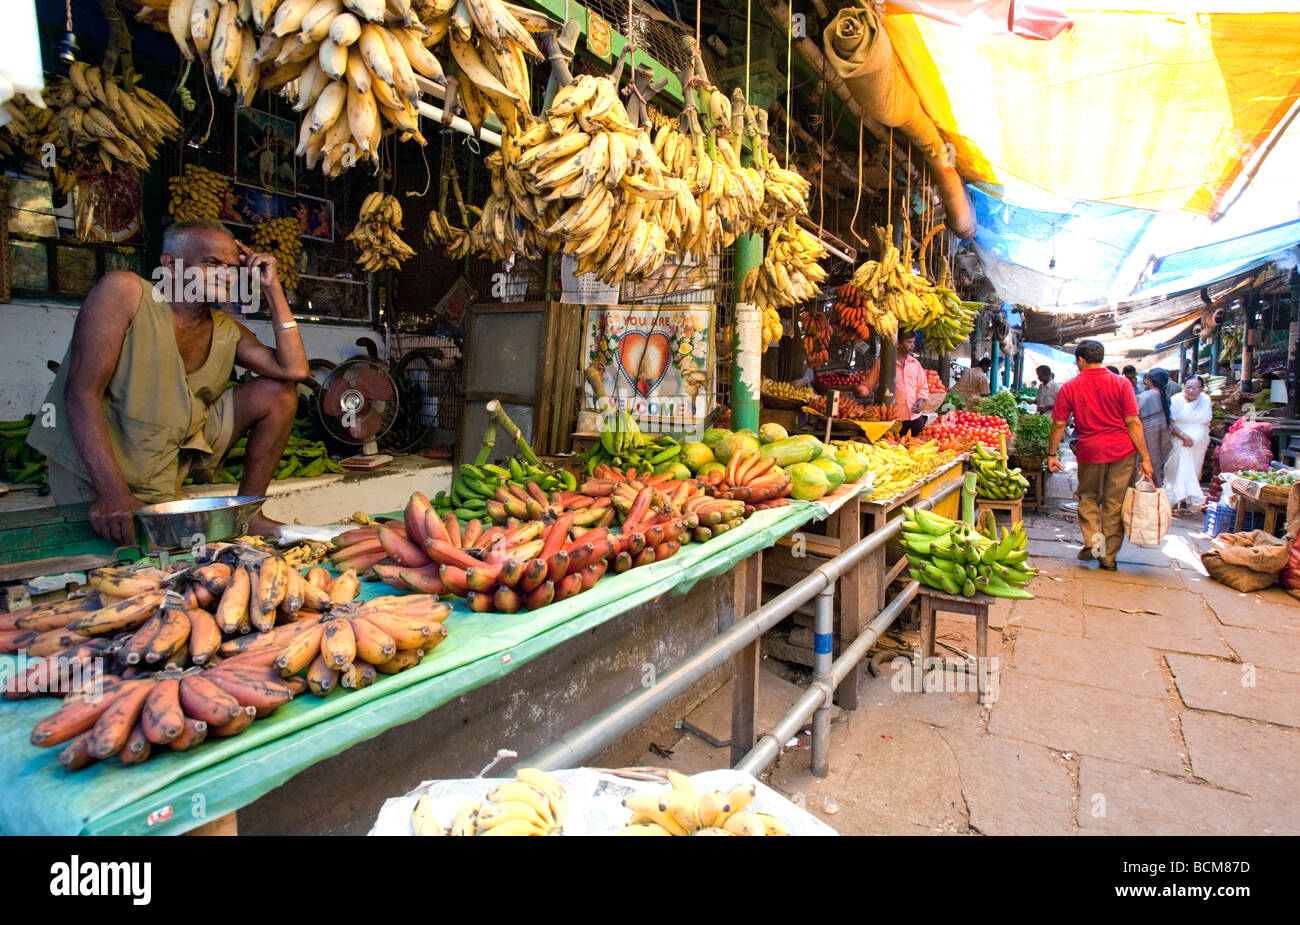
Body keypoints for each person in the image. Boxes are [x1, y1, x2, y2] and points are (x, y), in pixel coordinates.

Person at [27, 219, 308, 544]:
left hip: (165, 458)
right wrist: (113, 494)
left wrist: (272, 289)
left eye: (232, 267)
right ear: (171, 265)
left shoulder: (226, 330)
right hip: (96, 471)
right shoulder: (125, 292)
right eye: (211, 263)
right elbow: (80, 394)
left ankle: (250, 515)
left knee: (280, 393)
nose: (225, 275)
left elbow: (295, 370)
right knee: (122, 557)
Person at [1048, 340, 1154, 571]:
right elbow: (1133, 422)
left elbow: (1058, 424)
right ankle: (1109, 558)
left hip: (1091, 451)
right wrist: (1145, 457)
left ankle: (1094, 543)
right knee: (1114, 503)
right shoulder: (1122, 384)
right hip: (1123, 452)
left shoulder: (1071, 386)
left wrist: (1052, 454)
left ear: (1080, 360)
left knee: (1087, 497)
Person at [861, 331, 929, 437]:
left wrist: (920, 401)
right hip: (894, 420)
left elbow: (923, 387)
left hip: (915, 418)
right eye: (909, 342)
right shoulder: (882, 363)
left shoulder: (915, 364)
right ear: (899, 344)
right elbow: (868, 385)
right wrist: (861, 390)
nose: (913, 345)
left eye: (913, 342)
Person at [1165, 375, 1213, 512]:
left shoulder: (1206, 400)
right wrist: (1184, 436)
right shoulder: (1176, 400)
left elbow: (1206, 420)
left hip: (1198, 444)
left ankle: (1185, 502)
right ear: (1183, 387)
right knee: (1176, 468)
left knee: (1194, 469)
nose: (1191, 391)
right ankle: (1173, 500)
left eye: (1195, 388)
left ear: (1201, 389)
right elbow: (1170, 422)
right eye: (1188, 387)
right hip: (1179, 440)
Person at [1134, 368, 1171, 487]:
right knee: (1155, 472)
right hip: (1160, 441)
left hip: (1144, 440)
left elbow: (1133, 419)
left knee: (1142, 472)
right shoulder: (1164, 397)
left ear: (1149, 380)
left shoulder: (1144, 397)